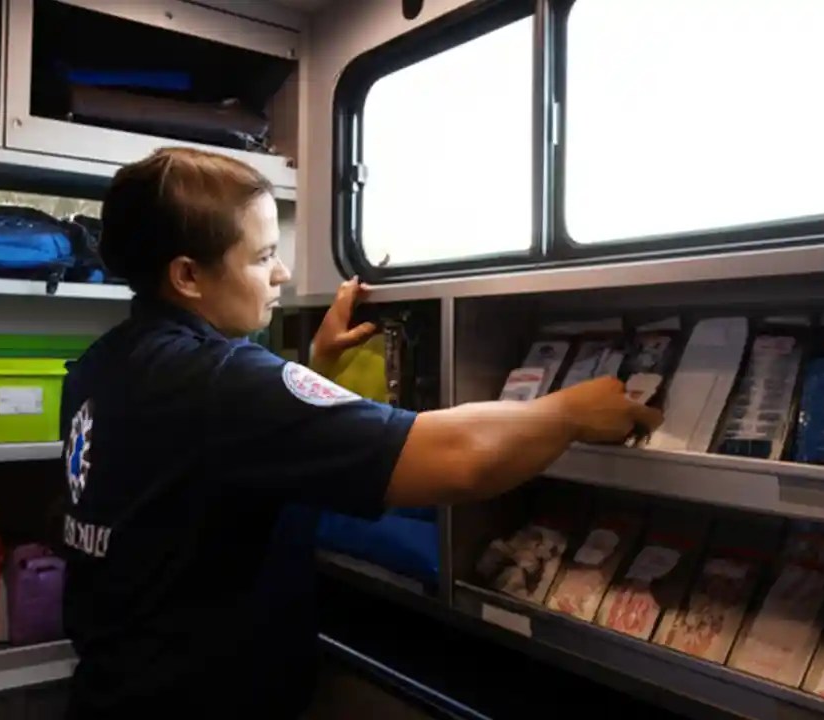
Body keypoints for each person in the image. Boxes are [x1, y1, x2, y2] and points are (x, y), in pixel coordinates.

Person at [58, 147, 664, 719]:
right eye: (262, 256)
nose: (282, 273)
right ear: (188, 275)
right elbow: (456, 460)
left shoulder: (101, 364)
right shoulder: (222, 380)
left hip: (117, 690)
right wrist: (568, 413)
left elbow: (206, 457)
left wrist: (311, 370)